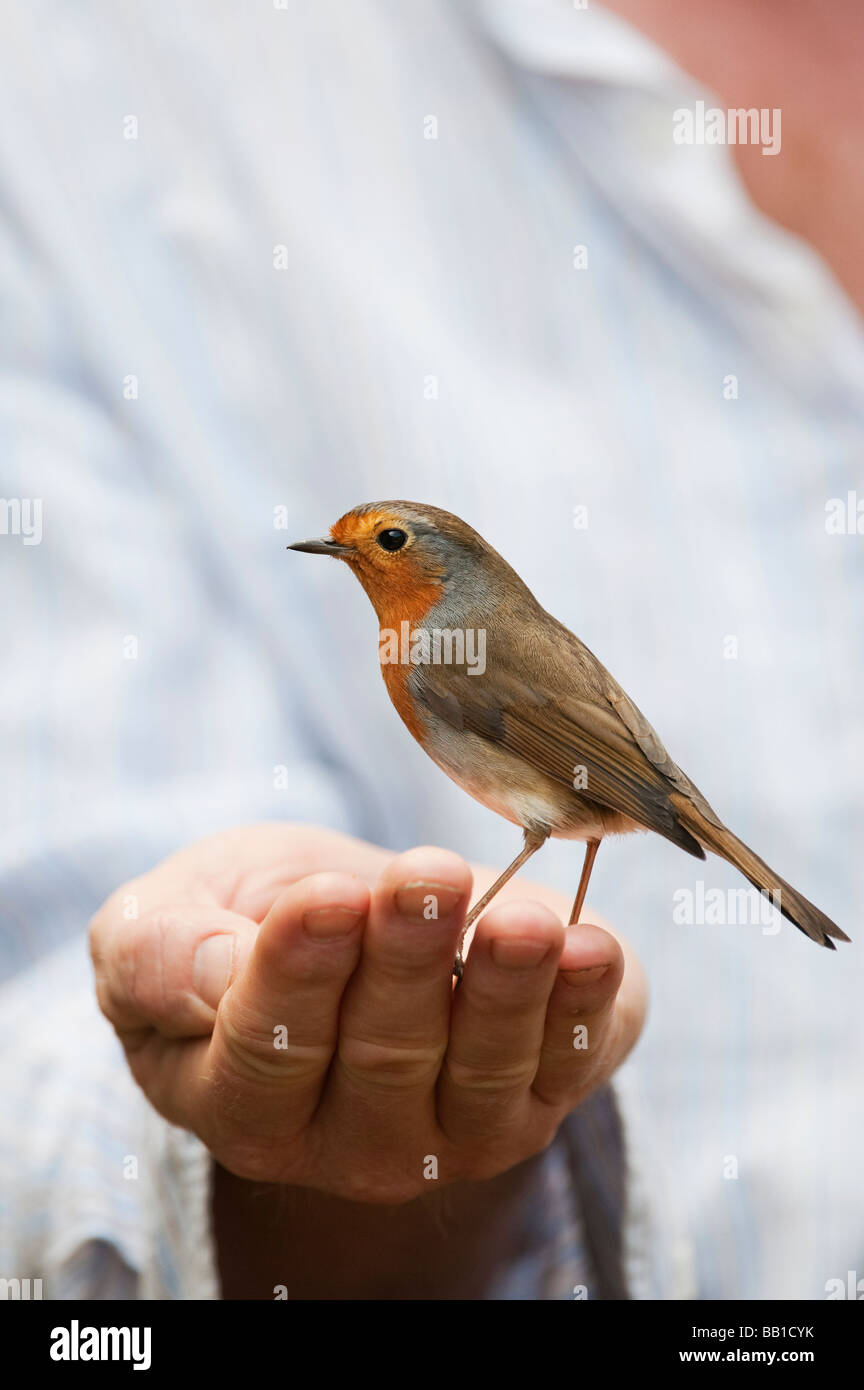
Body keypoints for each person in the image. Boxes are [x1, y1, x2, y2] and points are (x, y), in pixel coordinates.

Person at [1, 0, 861, 1299]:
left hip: (610, 778)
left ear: (439, 564)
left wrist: (623, 821)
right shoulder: (78, 72)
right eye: (358, 542)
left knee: (530, 839)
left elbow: (561, 763)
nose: (361, 556)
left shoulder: (441, 648)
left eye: (384, 540)